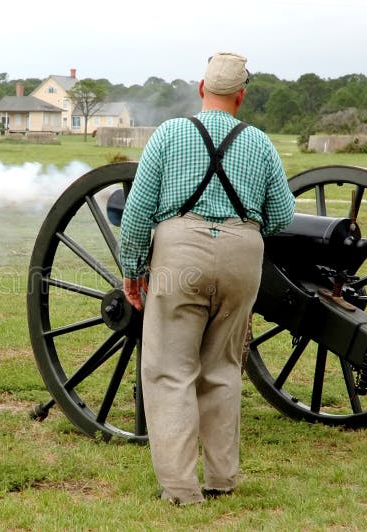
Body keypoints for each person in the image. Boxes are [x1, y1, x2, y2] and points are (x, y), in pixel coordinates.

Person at [119, 52, 295, 506]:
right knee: (222, 369)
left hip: (180, 253)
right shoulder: (260, 142)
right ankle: (221, 479)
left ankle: (180, 489)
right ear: (241, 95)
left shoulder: (170, 133)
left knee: (170, 371)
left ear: (202, 89)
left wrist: (133, 269)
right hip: (242, 255)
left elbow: (138, 212)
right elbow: (282, 215)